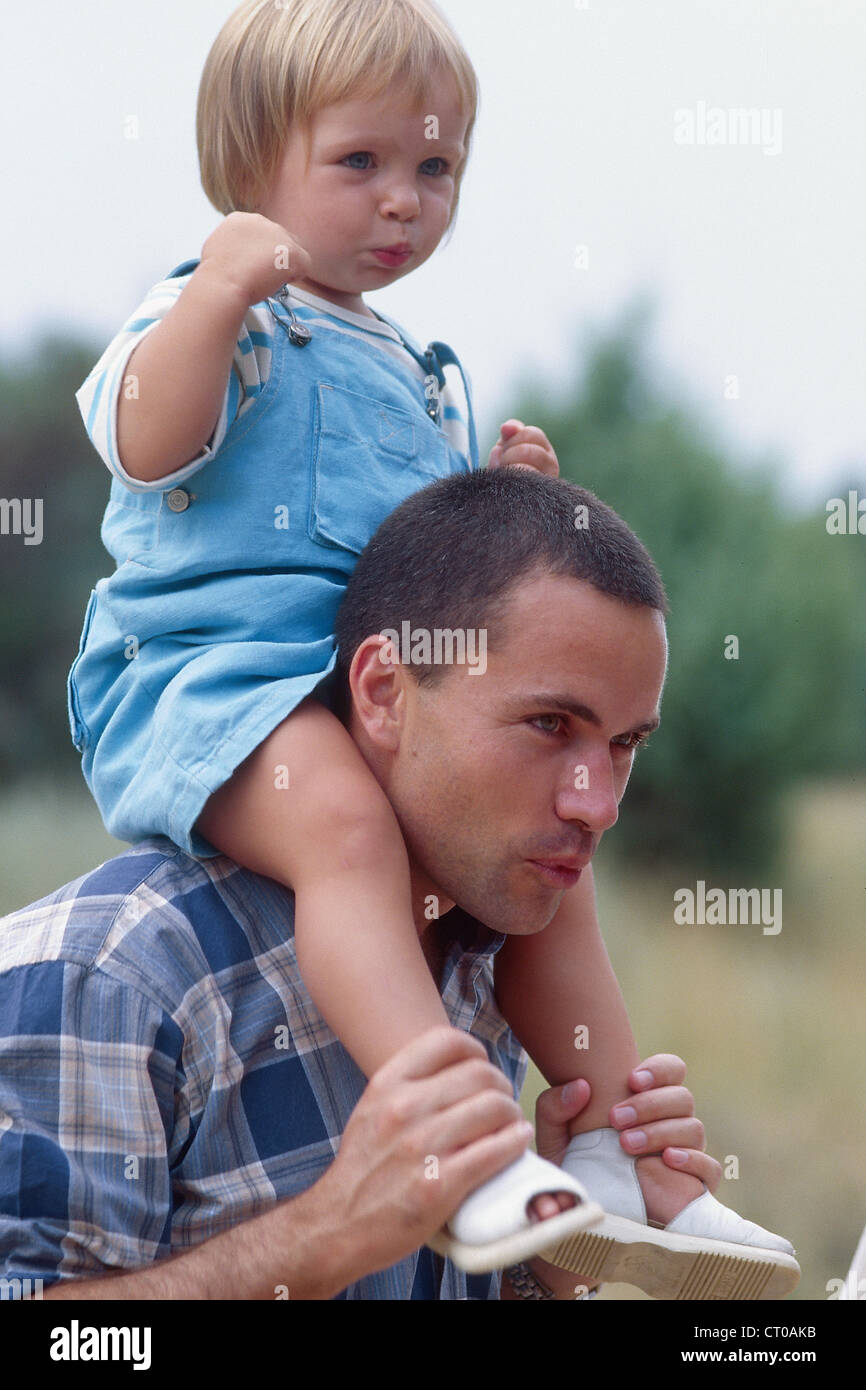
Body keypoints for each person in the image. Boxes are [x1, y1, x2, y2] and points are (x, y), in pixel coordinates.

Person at [67, 0, 797, 1284]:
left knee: (539, 888)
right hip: (210, 685)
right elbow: (145, 442)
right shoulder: (215, 317)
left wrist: (501, 484)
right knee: (347, 832)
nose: (403, 200)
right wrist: (223, 286)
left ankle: (630, 1164)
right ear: (251, 168)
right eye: (360, 163)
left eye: (434, 167)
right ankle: (454, 1151)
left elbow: (442, 562)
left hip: (353, 692)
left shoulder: (418, 371)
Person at [3, 472, 766, 1300]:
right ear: (381, 694)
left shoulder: (485, 966)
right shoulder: (108, 973)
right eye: (550, 725)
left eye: (624, 744)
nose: (600, 804)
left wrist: (544, 1267)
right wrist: (320, 1240)